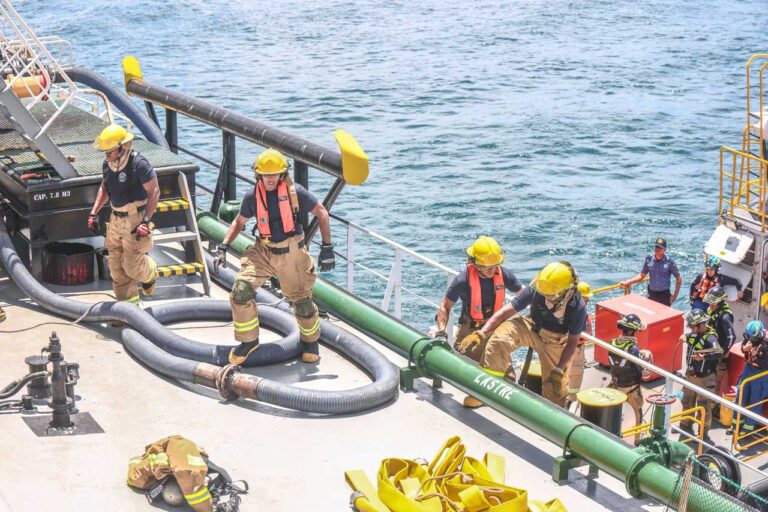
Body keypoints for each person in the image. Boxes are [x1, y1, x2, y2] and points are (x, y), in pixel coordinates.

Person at [213, 148, 335, 365]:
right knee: (240, 290)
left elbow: (322, 213)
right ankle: (249, 341)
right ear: (258, 175)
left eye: (274, 174)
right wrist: (223, 246)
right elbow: (239, 222)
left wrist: (327, 248)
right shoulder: (253, 196)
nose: (270, 179)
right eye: (265, 175)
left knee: (303, 304)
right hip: (264, 251)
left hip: (293, 254)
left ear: (282, 174)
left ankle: (310, 342)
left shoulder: (295, 192)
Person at [460, 261, 587, 408]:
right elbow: (506, 311)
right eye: (543, 293)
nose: (545, 297)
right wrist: (482, 333)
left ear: (565, 291)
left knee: (555, 387)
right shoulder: (538, 288)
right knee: (499, 340)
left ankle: (551, 420)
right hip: (531, 326)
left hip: (555, 340)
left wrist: (559, 370)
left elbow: (572, 343)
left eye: (550, 295)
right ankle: (487, 392)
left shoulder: (577, 308)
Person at [434, 236, 523, 408]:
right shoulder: (462, 281)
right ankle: (479, 398)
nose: (492, 271)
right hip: (470, 330)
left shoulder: (503, 275)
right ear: (474, 263)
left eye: (495, 266)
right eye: (487, 267)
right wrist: (441, 332)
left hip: (495, 329)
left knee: (507, 378)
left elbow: (523, 293)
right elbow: (445, 306)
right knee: (465, 370)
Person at [89, 124, 159, 326]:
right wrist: (94, 212)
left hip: (135, 218)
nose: (106, 155)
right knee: (117, 268)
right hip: (116, 218)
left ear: (122, 148)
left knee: (132, 266)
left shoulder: (139, 164)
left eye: (109, 151)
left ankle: (151, 271)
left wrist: (146, 221)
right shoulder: (108, 164)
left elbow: (154, 191)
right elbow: (105, 187)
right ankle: (127, 312)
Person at [679, 309, 723, 441]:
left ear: (701, 325)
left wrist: (703, 357)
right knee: (687, 400)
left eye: (693, 326)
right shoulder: (696, 334)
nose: (691, 329)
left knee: (703, 406)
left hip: (705, 378)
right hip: (691, 376)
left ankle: (702, 433)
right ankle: (685, 425)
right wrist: (685, 337)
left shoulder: (711, 338)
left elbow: (719, 352)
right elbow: (690, 337)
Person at [608, 313, 646, 445]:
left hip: (616, 385)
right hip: (631, 387)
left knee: (614, 412)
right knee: (638, 412)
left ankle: (613, 434)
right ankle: (637, 440)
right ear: (633, 330)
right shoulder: (633, 348)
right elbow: (638, 369)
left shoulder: (612, 343)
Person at [620, 238, 681, 306]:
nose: (657, 249)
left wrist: (675, 296)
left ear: (664, 250)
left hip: (664, 295)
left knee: (663, 316)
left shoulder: (669, 262)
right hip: (652, 294)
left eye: (660, 247)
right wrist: (628, 282)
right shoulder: (649, 259)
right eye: (656, 246)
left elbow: (679, 279)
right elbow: (642, 275)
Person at [733, 321, 768, 435]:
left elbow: (766, 364)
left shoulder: (766, 344)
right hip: (748, 369)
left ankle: (747, 429)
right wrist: (745, 349)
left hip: (761, 374)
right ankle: (736, 424)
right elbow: (743, 346)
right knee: (740, 396)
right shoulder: (750, 337)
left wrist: (754, 356)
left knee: (755, 401)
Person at [704, 286, 736, 407]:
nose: (711, 304)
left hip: (719, 352)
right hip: (711, 349)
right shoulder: (712, 311)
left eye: (713, 302)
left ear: (720, 301)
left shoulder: (724, 317)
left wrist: (723, 352)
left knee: (716, 379)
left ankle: (713, 405)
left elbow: (731, 337)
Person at [567, 281, 593, 406]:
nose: (588, 299)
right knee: (576, 373)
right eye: (586, 297)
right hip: (576, 348)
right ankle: (571, 400)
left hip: (567, 345)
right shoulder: (580, 312)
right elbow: (588, 332)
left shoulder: (569, 308)